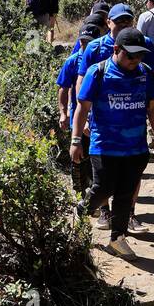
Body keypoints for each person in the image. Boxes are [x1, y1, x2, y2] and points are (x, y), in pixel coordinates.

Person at [71, 27, 154, 257]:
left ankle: (117, 238)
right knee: (103, 188)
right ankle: (82, 213)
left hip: (136, 148)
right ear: (116, 49)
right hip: (104, 145)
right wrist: (76, 140)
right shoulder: (98, 72)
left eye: (140, 55)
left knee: (125, 193)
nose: (135, 60)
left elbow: (153, 108)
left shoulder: (144, 73)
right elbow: (82, 108)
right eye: (130, 55)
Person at [56, 12, 106, 195]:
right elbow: (63, 88)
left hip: (99, 120)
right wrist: (63, 113)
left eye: (88, 42)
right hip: (78, 118)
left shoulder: (104, 60)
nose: (84, 45)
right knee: (78, 160)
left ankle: (96, 197)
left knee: (96, 160)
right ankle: (80, 195)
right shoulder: (72, 61)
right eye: (82, 41)